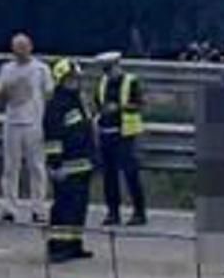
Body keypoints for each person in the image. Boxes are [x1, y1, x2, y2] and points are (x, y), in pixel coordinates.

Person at [42, 58, 95, 263]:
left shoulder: (78, 101)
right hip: (66, 167)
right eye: (70, 79)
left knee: (78, 207)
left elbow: (86, 132)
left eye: (76, 78)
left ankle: (73, 244)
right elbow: (53, 137)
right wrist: (55, 163)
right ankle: (58, 247)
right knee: (64, 207)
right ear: (61, 80)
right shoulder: (57, 104)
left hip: (82, 165)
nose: (75, 82)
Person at [0, 33, 52, 225]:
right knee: (10, 168)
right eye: (16, 47)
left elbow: (49, 93)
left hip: (34, 123)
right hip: (12, 122)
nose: (20, 51)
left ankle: (38, 208)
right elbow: (0, 94)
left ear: (30, 47)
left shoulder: (41, 69)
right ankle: (9, 208)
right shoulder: (7, 69)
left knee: (36, 167)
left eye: (23, 46)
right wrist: (4, 92)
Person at [92, 51, 148, 228]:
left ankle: (139, 212)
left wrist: (120, 107)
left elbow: (140, 103)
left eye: (110, 69)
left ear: (118, 66)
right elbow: (97, 104)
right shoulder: (102, 82)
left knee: (131, 173)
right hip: (106, 132)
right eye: (105, 70)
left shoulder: (131, 81)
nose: (108, 73)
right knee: (109, 176)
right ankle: (113, 212)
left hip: (126, 133)